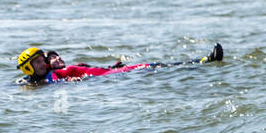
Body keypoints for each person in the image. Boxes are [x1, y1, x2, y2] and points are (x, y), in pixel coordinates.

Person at [16, 44, 223, 84]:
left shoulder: (53, 75)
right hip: (116, 77)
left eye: (42, 60)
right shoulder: (51, 78)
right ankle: (201, 63)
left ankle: (200, 62)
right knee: (154, 68)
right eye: (38, 62)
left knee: (155, 66)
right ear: (29, 67)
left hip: (116, 73)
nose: (43, 64)